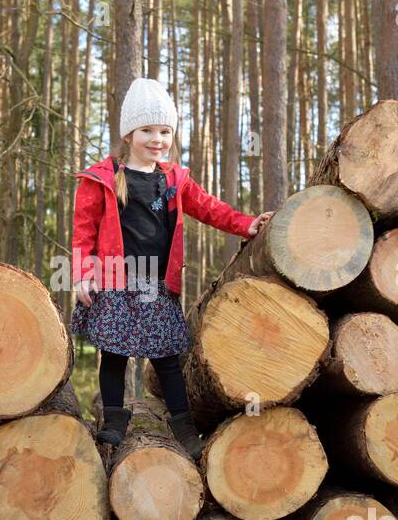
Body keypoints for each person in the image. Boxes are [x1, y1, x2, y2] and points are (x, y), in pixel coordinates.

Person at [69, 78, 274, 460]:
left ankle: (182, 425)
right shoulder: (103, 178)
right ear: (129, 133)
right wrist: (82, 272)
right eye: (147, 130)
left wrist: (245, 224)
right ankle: (113, 420)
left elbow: (210, 208)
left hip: (157, 284)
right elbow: (83, 230)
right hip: (115, 280)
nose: (157, 139)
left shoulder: (174, 179)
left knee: (166, 359)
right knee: (114, 355)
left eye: (164, 131)